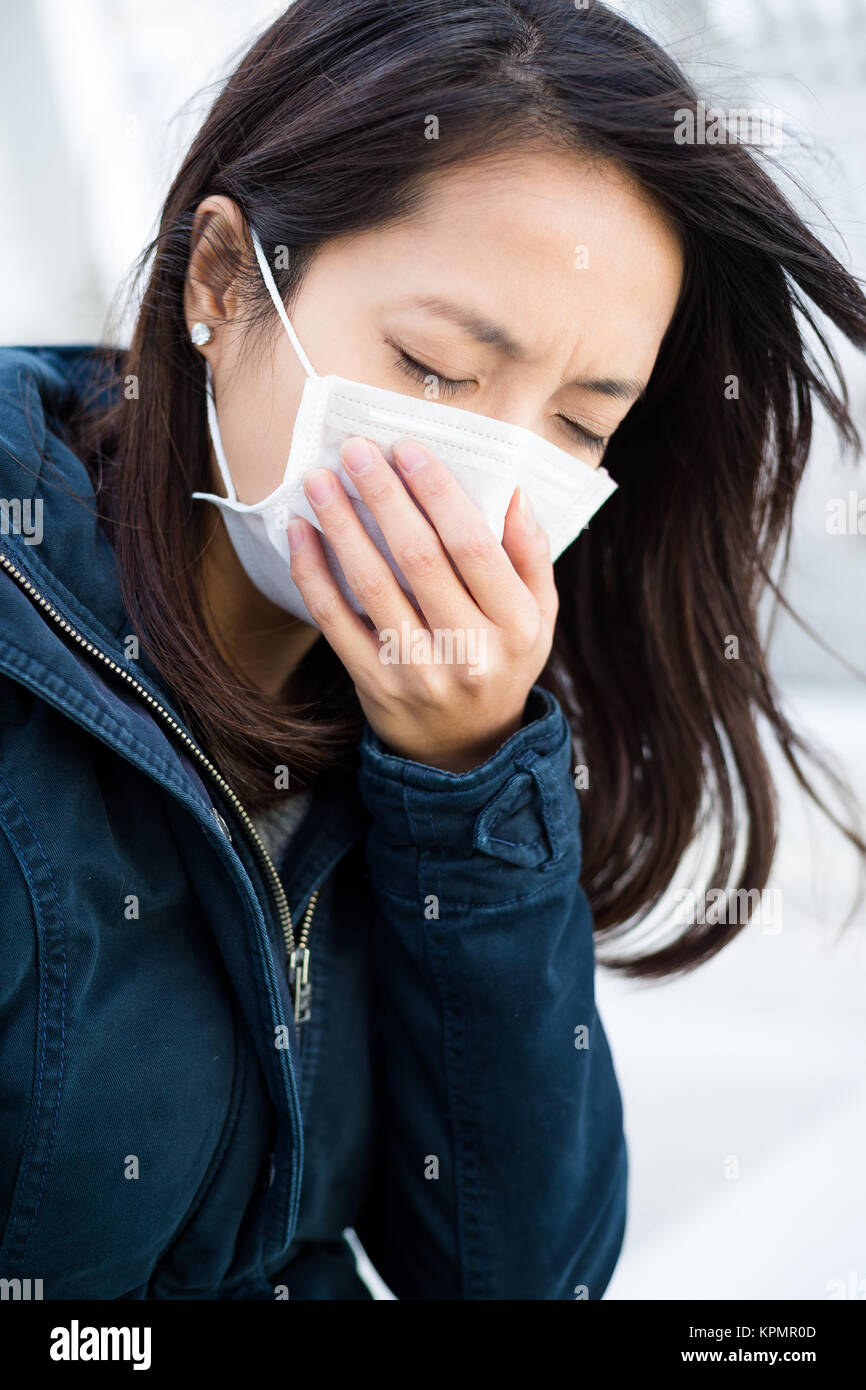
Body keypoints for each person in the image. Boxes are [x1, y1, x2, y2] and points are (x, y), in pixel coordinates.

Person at [1, 0, 863, 1301]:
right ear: (224, 284)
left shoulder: (451, 720)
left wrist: (461, 784)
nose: (488, 486)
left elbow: (515, 1277)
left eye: (577, 426)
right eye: (437, 368)